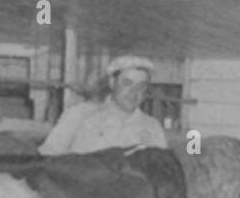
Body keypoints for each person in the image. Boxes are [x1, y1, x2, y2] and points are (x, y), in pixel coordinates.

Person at [38, 55, 169, 155]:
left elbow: (161, 174)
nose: (133, 93)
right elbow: (48, 156)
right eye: (127, 83)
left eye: (140, 86)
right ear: (112, 82)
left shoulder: (152, 127)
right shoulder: (79, 115)